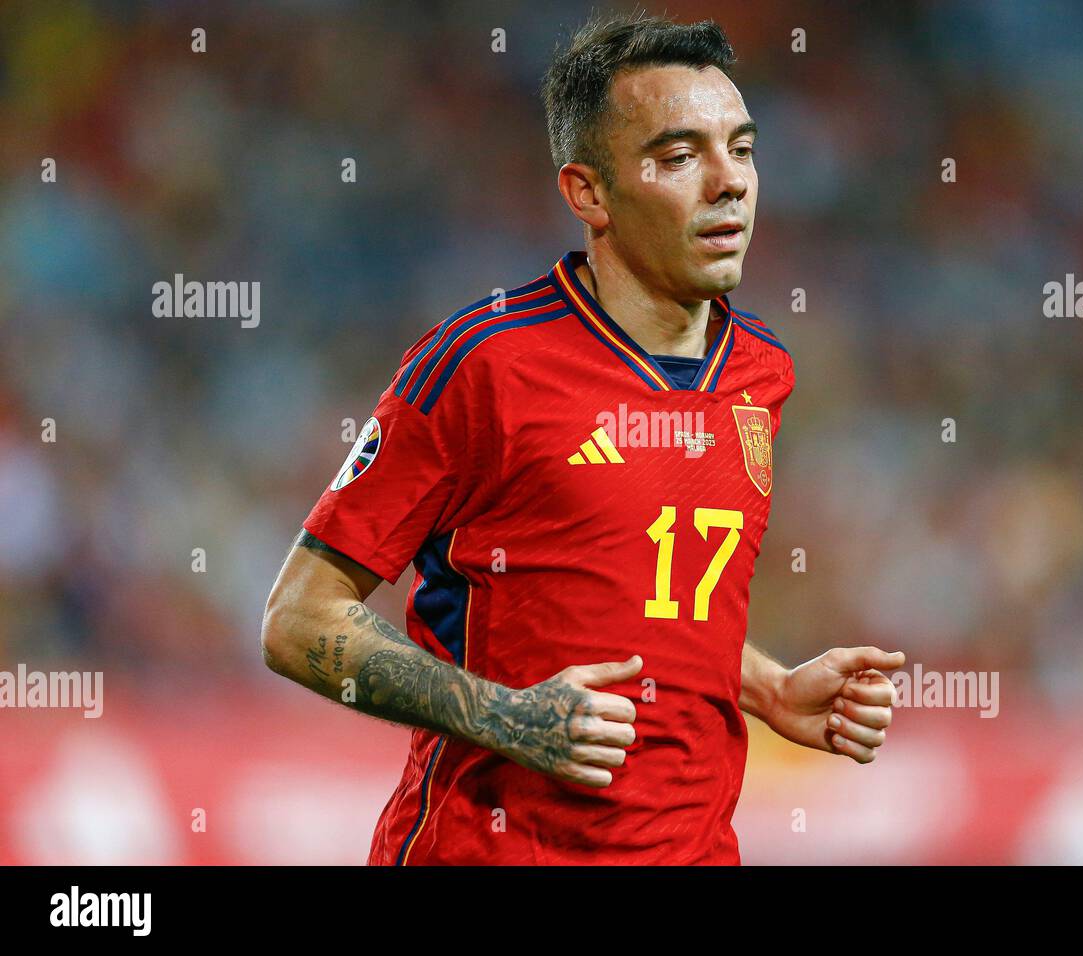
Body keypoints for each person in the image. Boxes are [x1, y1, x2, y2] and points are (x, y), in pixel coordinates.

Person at [261, 11, 904, 865]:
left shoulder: (761, 369)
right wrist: (504, 716)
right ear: (588, 193)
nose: (729, 183)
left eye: (742, 149)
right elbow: (297, 621)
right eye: (679, 158)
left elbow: (634, 594)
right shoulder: (483, 363)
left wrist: (769, 688)